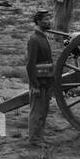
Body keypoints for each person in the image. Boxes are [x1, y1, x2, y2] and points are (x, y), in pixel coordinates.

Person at [25, 10, 56, 146]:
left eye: (49, 18)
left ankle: (40, 137)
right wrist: (34, 85)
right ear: (38, 21)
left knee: (43, 111)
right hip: (39, 82)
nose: (49, 21)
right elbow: (30, 65)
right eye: (46, 19)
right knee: (36, 112)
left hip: (46, 81)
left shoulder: (42, 37)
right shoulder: (34, 39)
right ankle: (34, 139)